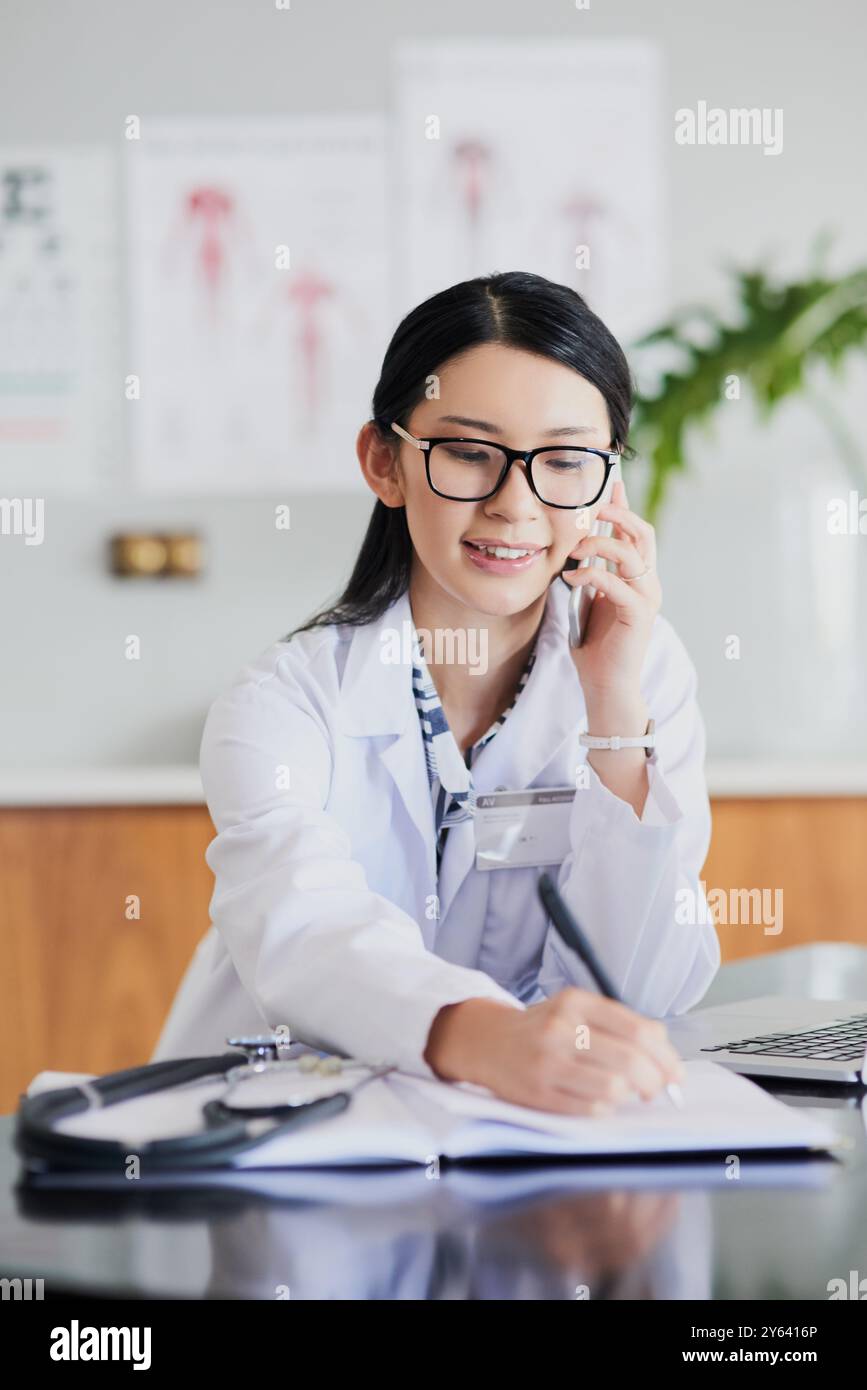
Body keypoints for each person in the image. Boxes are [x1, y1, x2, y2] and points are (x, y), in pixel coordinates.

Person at [151, 270, 720, 1116]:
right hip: (281, 1142)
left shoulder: (643, 670)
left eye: (565, 460)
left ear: (607, 483)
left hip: (525, 1142)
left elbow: (646, 988)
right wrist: (492, 1039)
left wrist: (611, 712)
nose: (514, 504)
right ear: (386, 462)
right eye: (467, 453)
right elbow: (304, 931)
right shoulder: (283, 703)